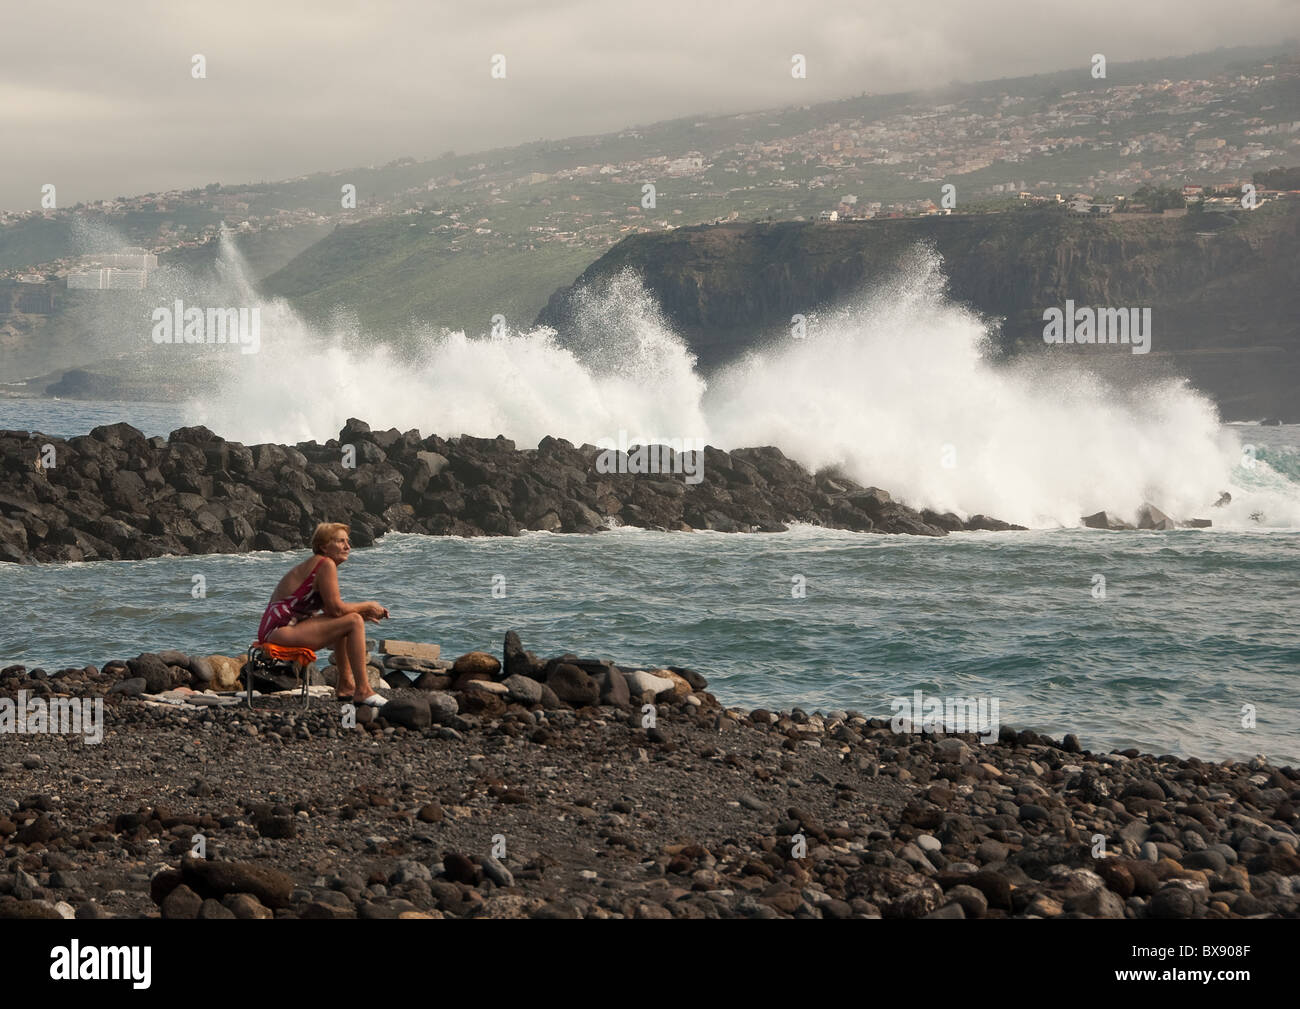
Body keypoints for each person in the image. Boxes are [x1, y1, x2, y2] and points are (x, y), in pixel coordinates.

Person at [257, 522, 389, 706]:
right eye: (340, 541)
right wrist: (369, 605)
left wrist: (361, 612)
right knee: (353, 621)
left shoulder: (320, 564)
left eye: (347, 541)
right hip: (280, 631)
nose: (347, 546)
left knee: (347, 621)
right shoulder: (325, 564)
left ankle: (346, 685)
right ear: (324, 546)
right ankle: (363, 690)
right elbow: (336, 609)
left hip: (281, 629)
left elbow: (331, 612)